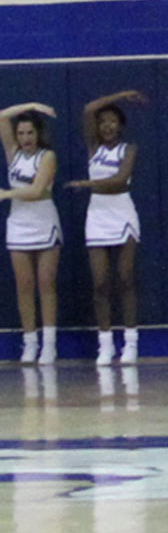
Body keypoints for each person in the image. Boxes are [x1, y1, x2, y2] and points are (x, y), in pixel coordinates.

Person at [67, 90, 146, 365]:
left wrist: (87, 184)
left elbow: (121, 181)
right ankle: (106, 344)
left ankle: (131, 342)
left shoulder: (129, 149)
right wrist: (123, 95)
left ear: (120, 126)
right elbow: (89, 108)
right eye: (103, 122)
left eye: (112, 121)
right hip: (98, 216)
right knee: (100, 283)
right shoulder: (93, 147)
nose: (107, 126)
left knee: (125, 278)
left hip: (122, 212)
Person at [2, 102, 61, 364]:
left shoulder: (47, 156)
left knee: (46, 284)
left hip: (44, 220)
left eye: (30, 132)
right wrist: (32, 106)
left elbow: (37, 190)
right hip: (18, 223)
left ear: (38, 134)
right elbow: (1, 117)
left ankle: (49, 345)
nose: (26, 138)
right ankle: (30, 343)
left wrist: (7, 194)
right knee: (24, 286)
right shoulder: (13, 154)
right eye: (21, 133)